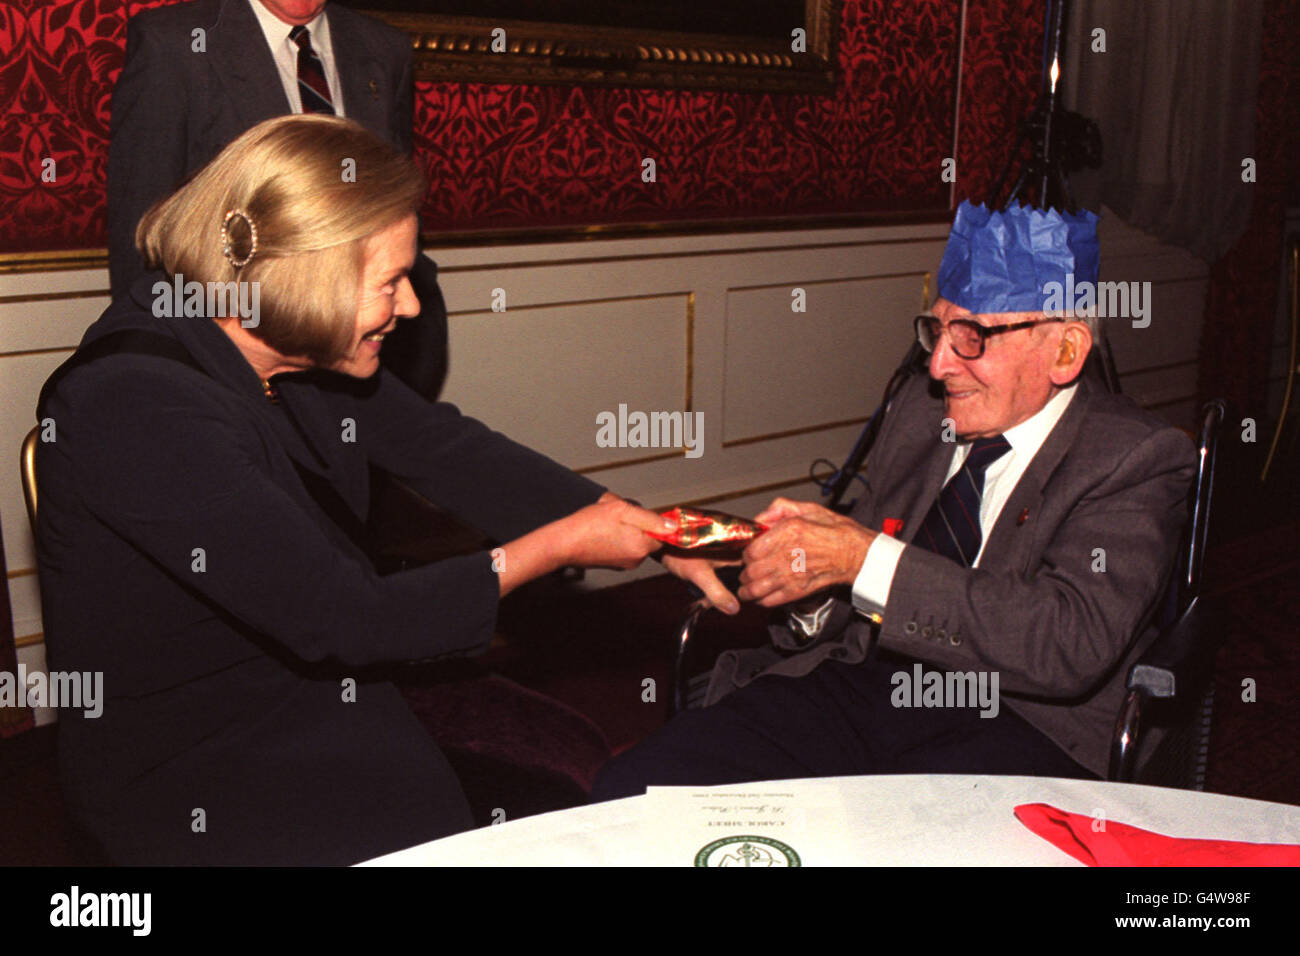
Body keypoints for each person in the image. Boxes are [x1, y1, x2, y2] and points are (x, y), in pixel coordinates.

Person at [38, 114, 702, 865]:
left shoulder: (284, 348)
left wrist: (648, 529)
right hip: (194, 769)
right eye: (391, 283)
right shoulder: (134, 404)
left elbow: (450, 452)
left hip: (308, 699)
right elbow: (345, 616)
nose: (412, 308)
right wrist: (552, 550)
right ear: (304, 283)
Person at [592, 201, 1198, 798]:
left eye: (972, 337)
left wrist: (863, 560)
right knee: (638, 797)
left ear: (1064, 351)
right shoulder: (919, 414)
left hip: (1023, 721)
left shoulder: (1135, 457)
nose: (938, 366)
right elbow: (847, 587)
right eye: (936, 330)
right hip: (868, 676)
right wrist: (806, 584)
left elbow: (1068, 644)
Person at [106, 0, 447, 398]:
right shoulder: (175, 42)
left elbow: (395, 201)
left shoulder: (384, 49)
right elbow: (141, 226)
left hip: (367, 353)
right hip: (230, 360)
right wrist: (156, 362)